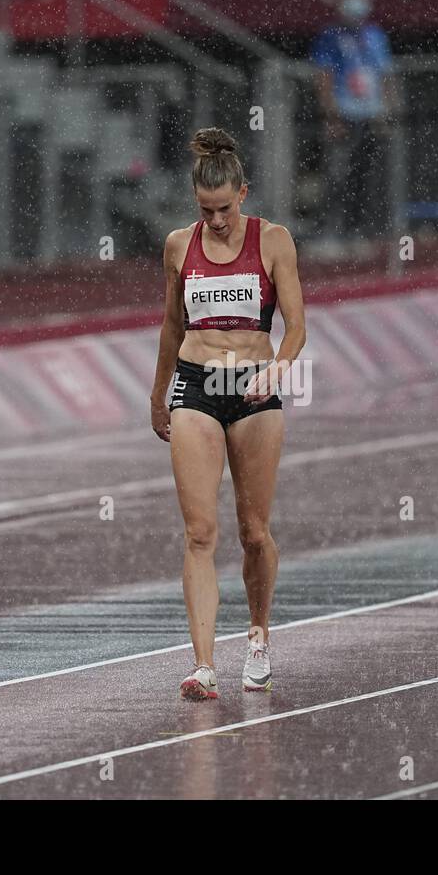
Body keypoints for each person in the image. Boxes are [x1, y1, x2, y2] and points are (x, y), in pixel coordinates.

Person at [150, 128, 307, 700]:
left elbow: (297, 325)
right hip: (195, 384)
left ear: (244, 193)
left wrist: (280, 368)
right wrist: (158, 391)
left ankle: (259, 637)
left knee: (253, 532)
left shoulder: (273, 241)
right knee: (199, 532)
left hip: (253, 389)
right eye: (204, 211)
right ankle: (203, 665)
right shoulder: (177, 246)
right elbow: (172, 325)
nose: (214, 221)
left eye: (223, 209)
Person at [310, 0, 396, 260]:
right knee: (337, 177)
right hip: (343, 115)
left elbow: (384, 75)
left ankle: (357, 232)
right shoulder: (330, 36)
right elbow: (324, 77)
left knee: (364, 178)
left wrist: (386, 109)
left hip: (369, 116)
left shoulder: (375, 35)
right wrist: (330, 115)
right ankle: (329, 233)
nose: (357, 3)